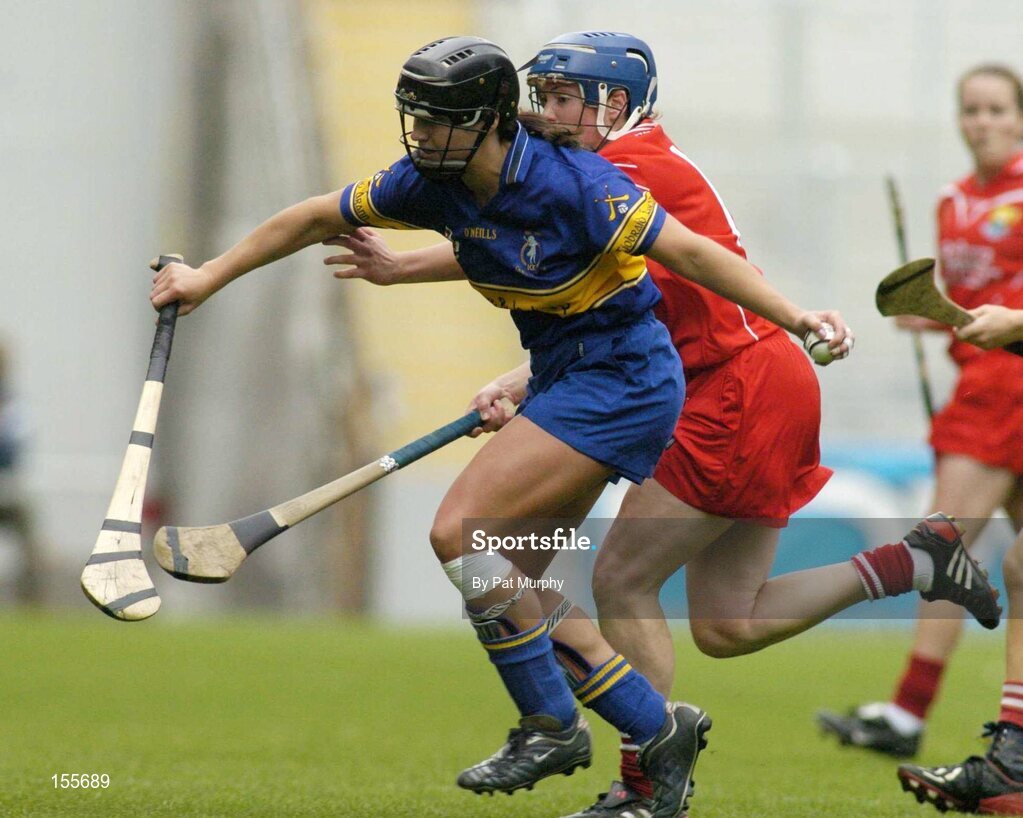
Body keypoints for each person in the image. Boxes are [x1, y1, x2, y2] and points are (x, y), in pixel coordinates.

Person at [152, 35, 859, 818]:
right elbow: (317, 215)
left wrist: (796, 317)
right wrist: (207, 277)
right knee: (499, 586)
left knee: (461, 533)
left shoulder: (585, 183)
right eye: (414, 117)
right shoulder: (430, 181)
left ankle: (564, 722)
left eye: (440, 120)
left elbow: (690, 253)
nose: (421, 135)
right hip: (566, 373)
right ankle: (638, 740)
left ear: (491, 123)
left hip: (623, 378)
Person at [323, 33, 1002, 818]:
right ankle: (916, 560)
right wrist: (530, 376)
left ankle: (646, 787)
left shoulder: (616, 169)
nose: (542, 113)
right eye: (539, 95)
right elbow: (550, 260)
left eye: (560, 97)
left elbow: (524, 242)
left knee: (618, 579)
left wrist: (480, 335)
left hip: (729, 386)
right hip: (745, 379)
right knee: (726, 620)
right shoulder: (616, 162)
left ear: (614, 104)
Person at [819, 63, 1023, 763]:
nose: (982, 121)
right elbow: (967, 305)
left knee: (941, 549)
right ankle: (923, 715)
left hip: (1007, 381)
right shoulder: (951, 200)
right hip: (981, 374)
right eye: (970, 109)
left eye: (997, 109)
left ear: (1019, 117)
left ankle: (908, 714)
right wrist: (930, 318)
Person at [0, 341, 43, 604]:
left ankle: (32, 602)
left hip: (6, 488)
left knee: (29, 541)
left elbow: (15, 445)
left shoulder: (11, 404)